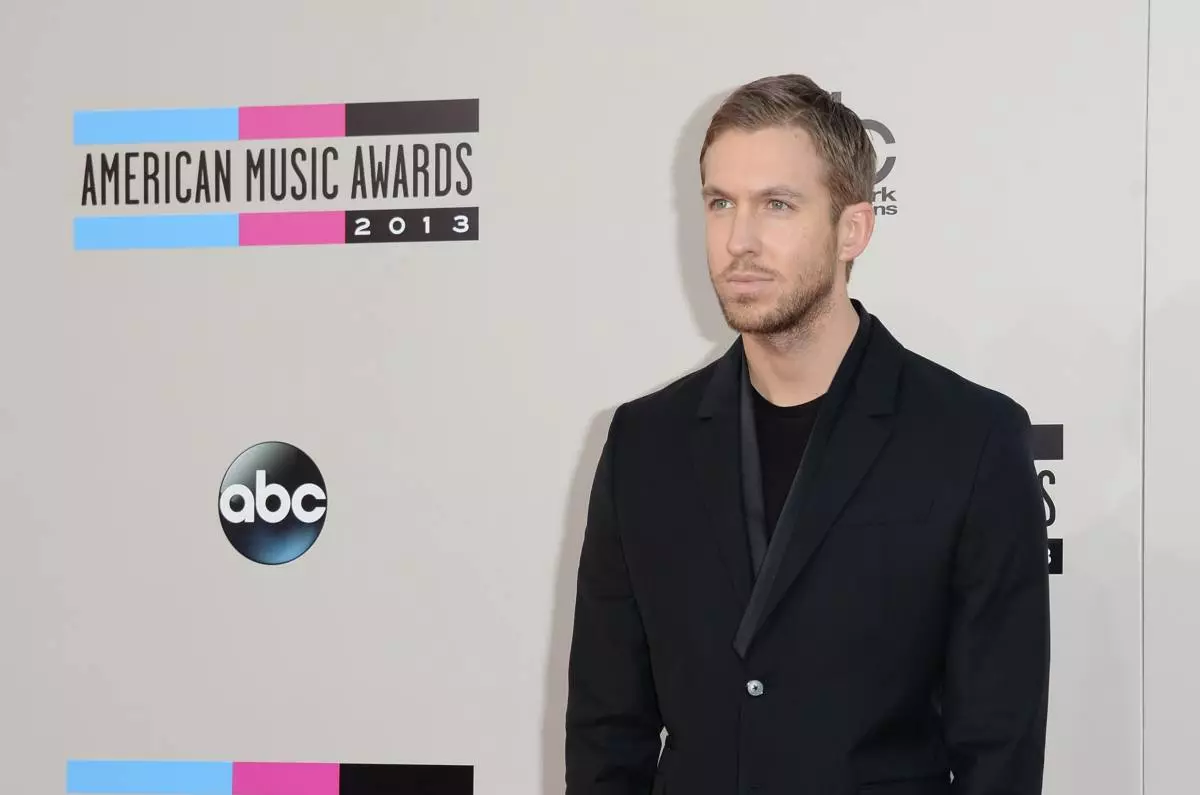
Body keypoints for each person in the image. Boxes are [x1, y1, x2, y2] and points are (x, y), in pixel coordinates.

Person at [563, 74, 1051, 795]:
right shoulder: (644, 444)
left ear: (853, 227)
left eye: (778, 206)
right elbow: (608, 730)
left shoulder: (972, 440)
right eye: (720, 203)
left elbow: (999, 751)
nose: (739, 240)